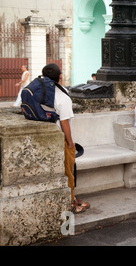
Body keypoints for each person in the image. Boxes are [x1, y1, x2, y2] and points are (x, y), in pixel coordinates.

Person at [42, 63, 90, 213]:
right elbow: (64, 123)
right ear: (60, 77)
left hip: (45, 137)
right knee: (68, 171)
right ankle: (71, 203)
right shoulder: (63, 97)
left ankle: (71, 199)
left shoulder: (42, 92)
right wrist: (70, 143)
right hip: (60, 139)